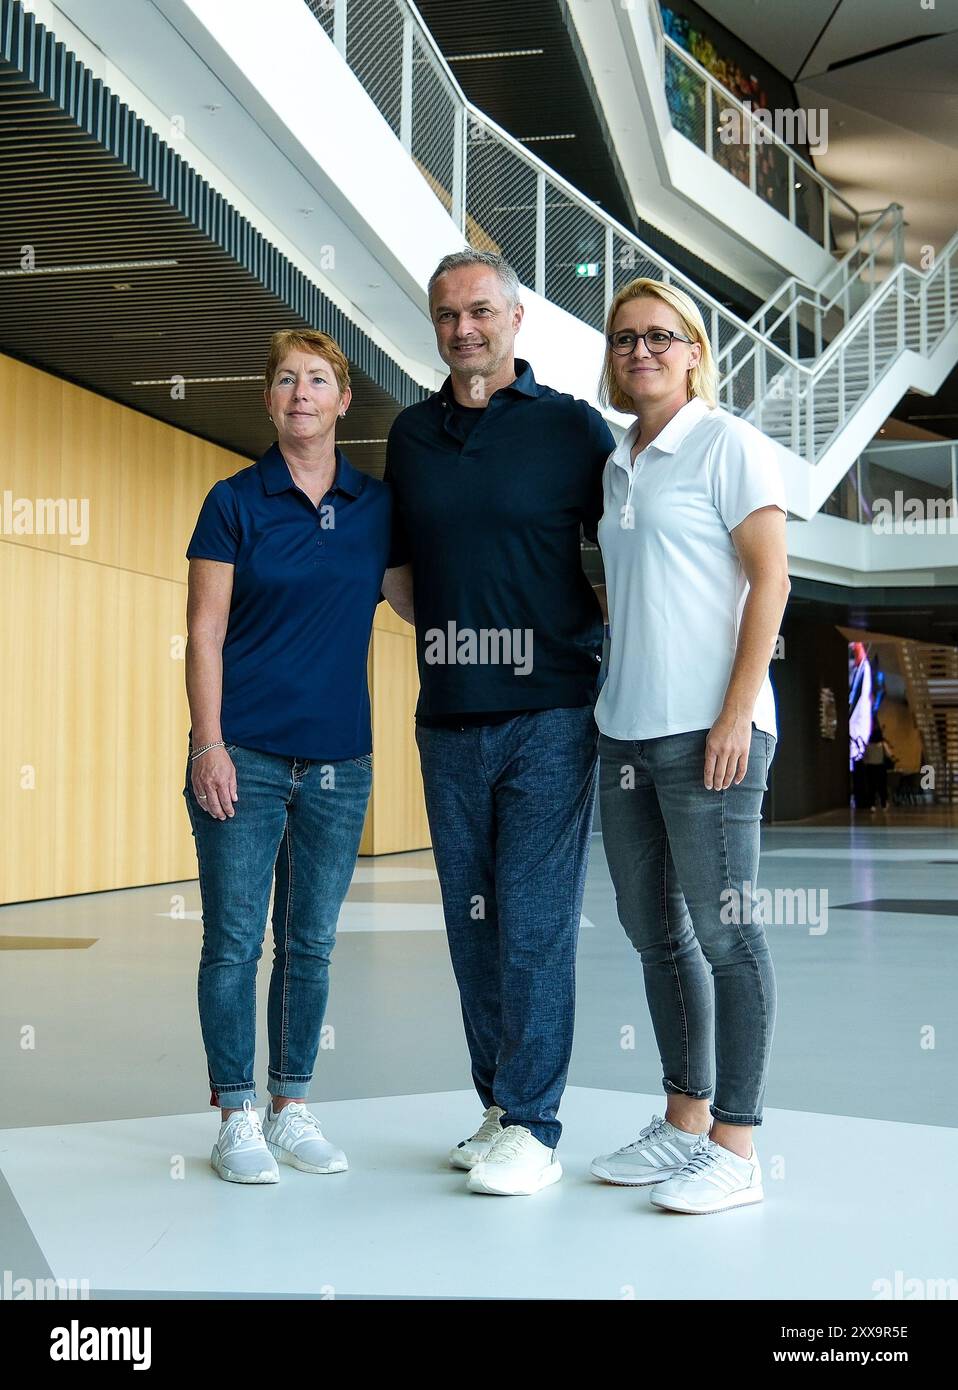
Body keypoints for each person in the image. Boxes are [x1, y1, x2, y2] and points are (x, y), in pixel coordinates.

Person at [384, 249, 614, 1196]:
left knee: (531, 921)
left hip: (551, 712)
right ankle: (497, 1104)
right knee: (471, 925)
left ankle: (536, 1123)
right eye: (447, 317)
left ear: (518, 321)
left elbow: (634, 546)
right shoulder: (408, 434)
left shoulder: (572, 430)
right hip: (447, 718)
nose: (463, 330)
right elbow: (399, 571)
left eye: (480, 312)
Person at [590, 277, 791, 1214]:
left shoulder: (728, 445)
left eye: (661, 337)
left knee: (726, 934)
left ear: (695, 349)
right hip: (623, 729)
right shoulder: (620, 460)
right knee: (652, 931)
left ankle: (738, 1146)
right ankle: (682, 1122)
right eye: (627, 339)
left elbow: (771, 582)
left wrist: (735, 714)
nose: (642, 352)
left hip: (712, 732)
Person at [184, 328, 401, 1184]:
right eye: (285, 380)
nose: (301, 393)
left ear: (345, 401)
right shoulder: (233, 501)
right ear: (269, 400)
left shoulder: (377, 505)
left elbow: (419, 598)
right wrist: (209, 745)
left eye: (318, 381)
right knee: (234, 941)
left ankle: (292, 1103)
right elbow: (203, 633)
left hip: (342, 763)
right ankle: (235, 1110)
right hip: (245, 754)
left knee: (309, 943)